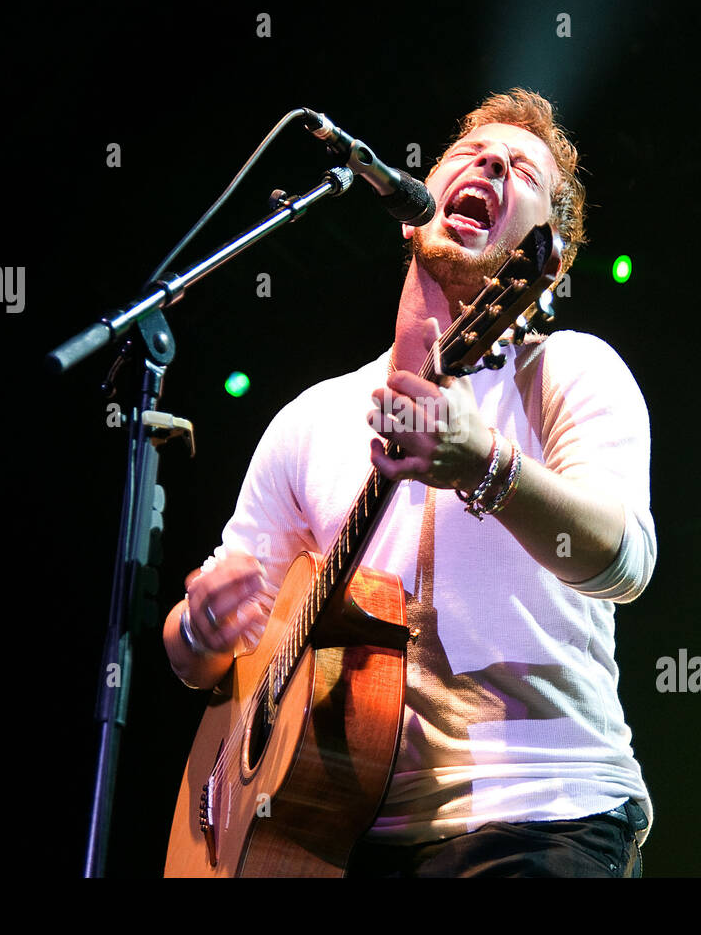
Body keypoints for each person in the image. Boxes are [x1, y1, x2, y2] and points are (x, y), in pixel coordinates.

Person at [162, 88, 657, 877]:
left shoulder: (569, 372)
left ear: (549, 262)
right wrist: (200, 627)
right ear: (410, 211)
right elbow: (203, 660)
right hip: (339, 835)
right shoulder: (310, 419)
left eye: (521, 170)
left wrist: (484, 463)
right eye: (473, 154)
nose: (493, 162)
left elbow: (625, 562)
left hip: (542, 816)